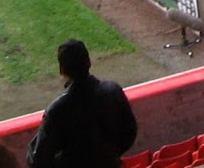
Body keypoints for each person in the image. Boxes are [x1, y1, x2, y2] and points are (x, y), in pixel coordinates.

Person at [27, 39, 138, 168]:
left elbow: (38, 160)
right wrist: (108, 156)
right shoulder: (113, 90)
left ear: (61, 69)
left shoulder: (59, 109)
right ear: (89, 62)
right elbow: (130, 133)